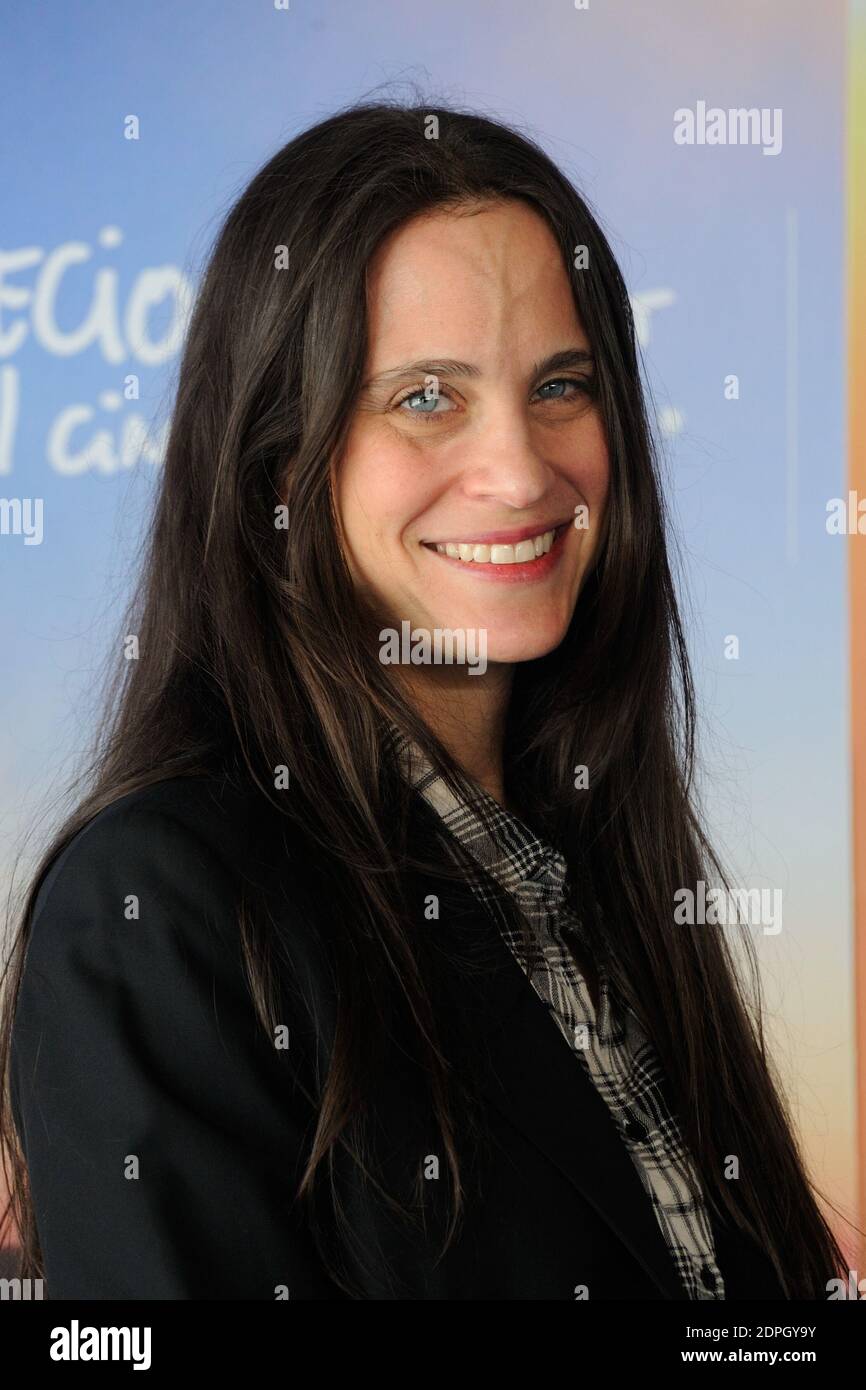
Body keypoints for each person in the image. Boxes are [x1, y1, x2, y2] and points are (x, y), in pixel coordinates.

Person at [0, 99, 849, 1300]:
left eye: (561, 384)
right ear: (279, 469)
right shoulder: (158, 908)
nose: (521, 467)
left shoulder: (593, 871)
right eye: (424, 397)